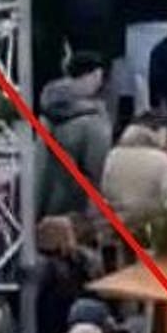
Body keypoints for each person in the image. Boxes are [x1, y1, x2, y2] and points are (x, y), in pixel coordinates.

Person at [35, 57, 113, 216]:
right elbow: (98, 167)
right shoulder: (93, 122)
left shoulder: (47, 110)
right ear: (94, 75)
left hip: (39, 197)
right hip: (75, 206)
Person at [100, 119, 167, 230]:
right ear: (157, 133)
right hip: (150, 227)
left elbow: (104, 189)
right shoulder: (161, 159)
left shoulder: (112, 156)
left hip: (117, 224)